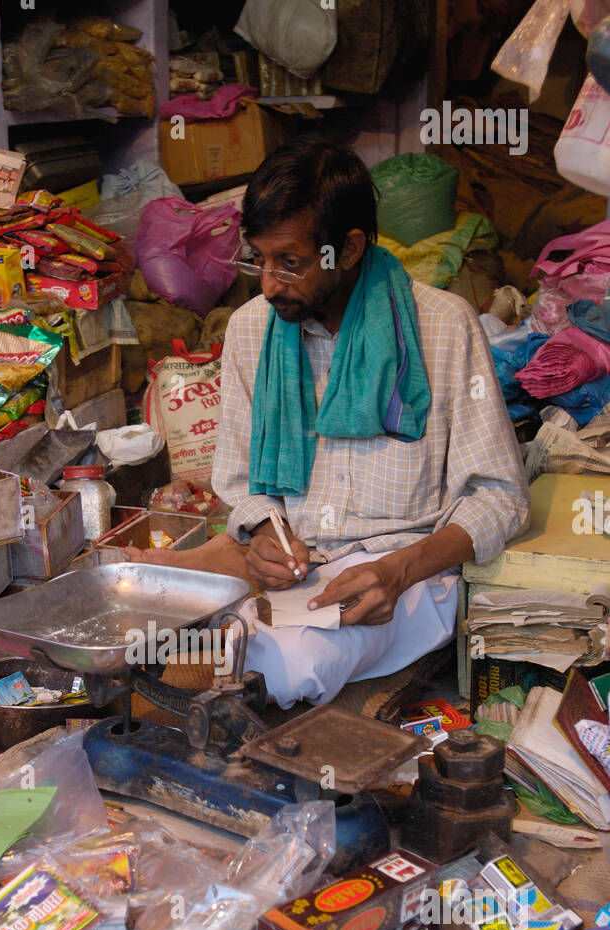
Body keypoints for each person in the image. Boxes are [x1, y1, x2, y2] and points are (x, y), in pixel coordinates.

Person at [210, 136, 530, 707]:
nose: (270, 283)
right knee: (186, 637)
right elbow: (240, 482)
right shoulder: (251, 329)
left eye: (291, 262)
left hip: (405, 572)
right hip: (299, 569)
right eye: (258, 258)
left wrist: (399, 572)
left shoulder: (443, 325)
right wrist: (264, 533)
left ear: (349, 248)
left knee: (286, 669)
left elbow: (499, 497)